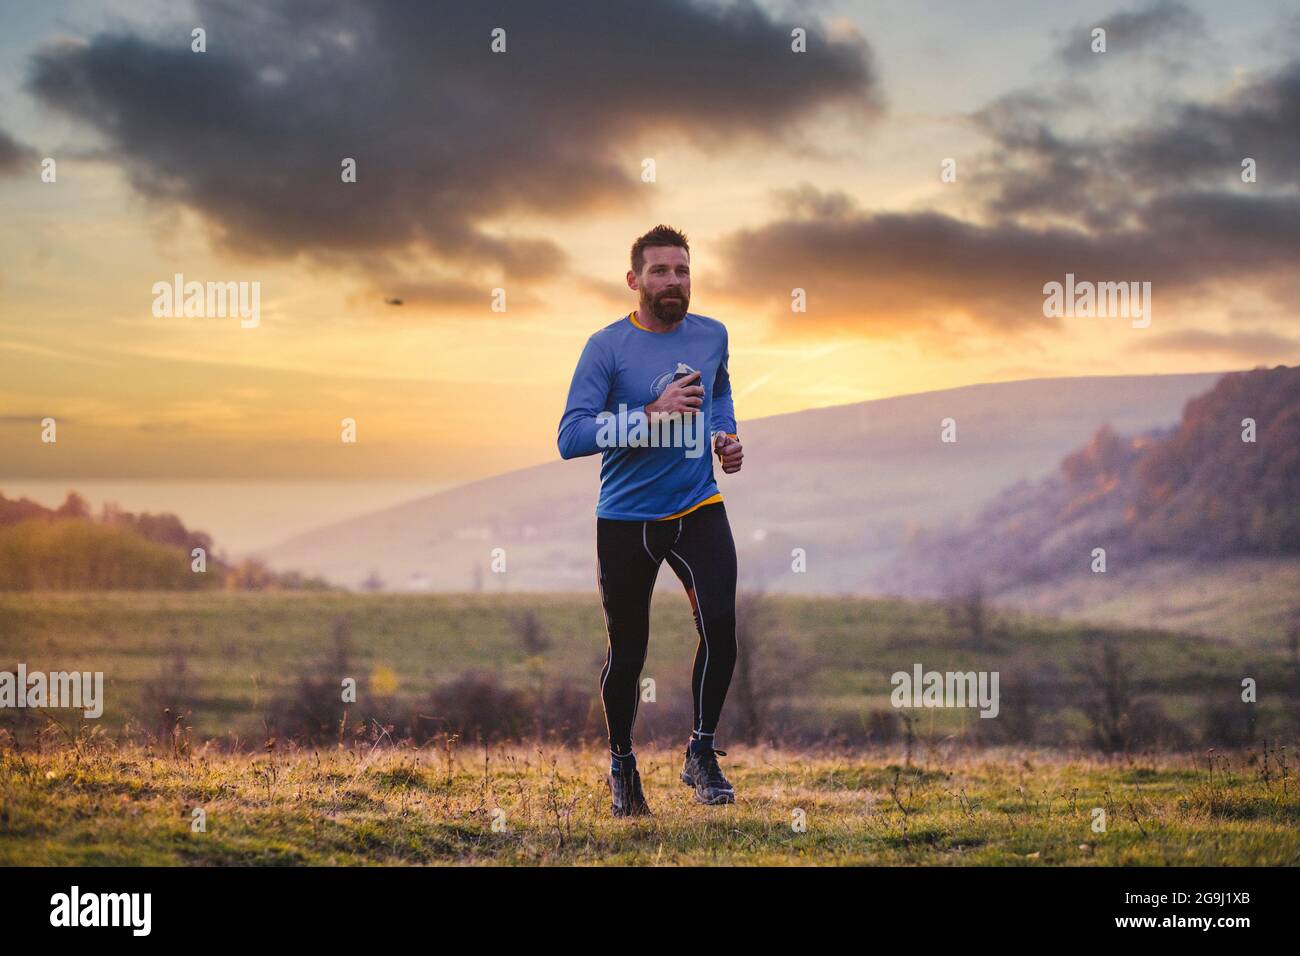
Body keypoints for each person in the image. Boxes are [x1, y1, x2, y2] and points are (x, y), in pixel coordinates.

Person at [557, 224, 744, 816]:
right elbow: (570, 437)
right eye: (660, 271)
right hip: (626, 517)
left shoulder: (712, 334)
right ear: (635, 280)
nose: (673, 281)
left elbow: (719, 391)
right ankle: (622, 766)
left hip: (697, 504)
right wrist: (649, 414)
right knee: (629, 652)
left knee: (720, 625)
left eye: (682, 271)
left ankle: (702, 752)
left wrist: (725, 434)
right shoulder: (606, 347)